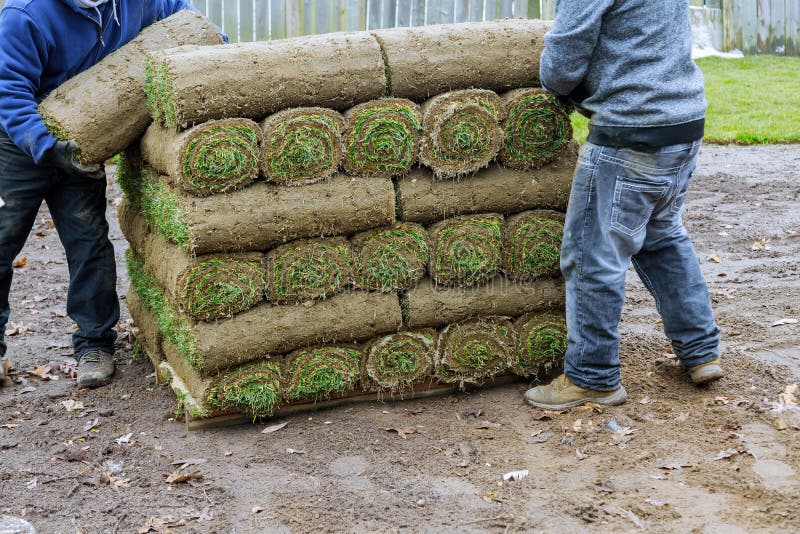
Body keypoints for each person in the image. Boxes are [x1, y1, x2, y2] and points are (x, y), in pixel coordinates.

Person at [525, 0, 724, 409]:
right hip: (682, 121)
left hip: (631, 129)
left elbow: (562, 62)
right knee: (661, 234)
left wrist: (553, 79)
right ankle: (701, 351)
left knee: (593, 254)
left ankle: (592, 376)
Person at [0, 0, 201, 389]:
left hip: (80, 140)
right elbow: (7, 91)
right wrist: (46, 145)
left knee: (89, 243)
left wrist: (212, 45)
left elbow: (181, 14)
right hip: (17, 141)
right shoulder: (26, 15)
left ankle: (95, 344)